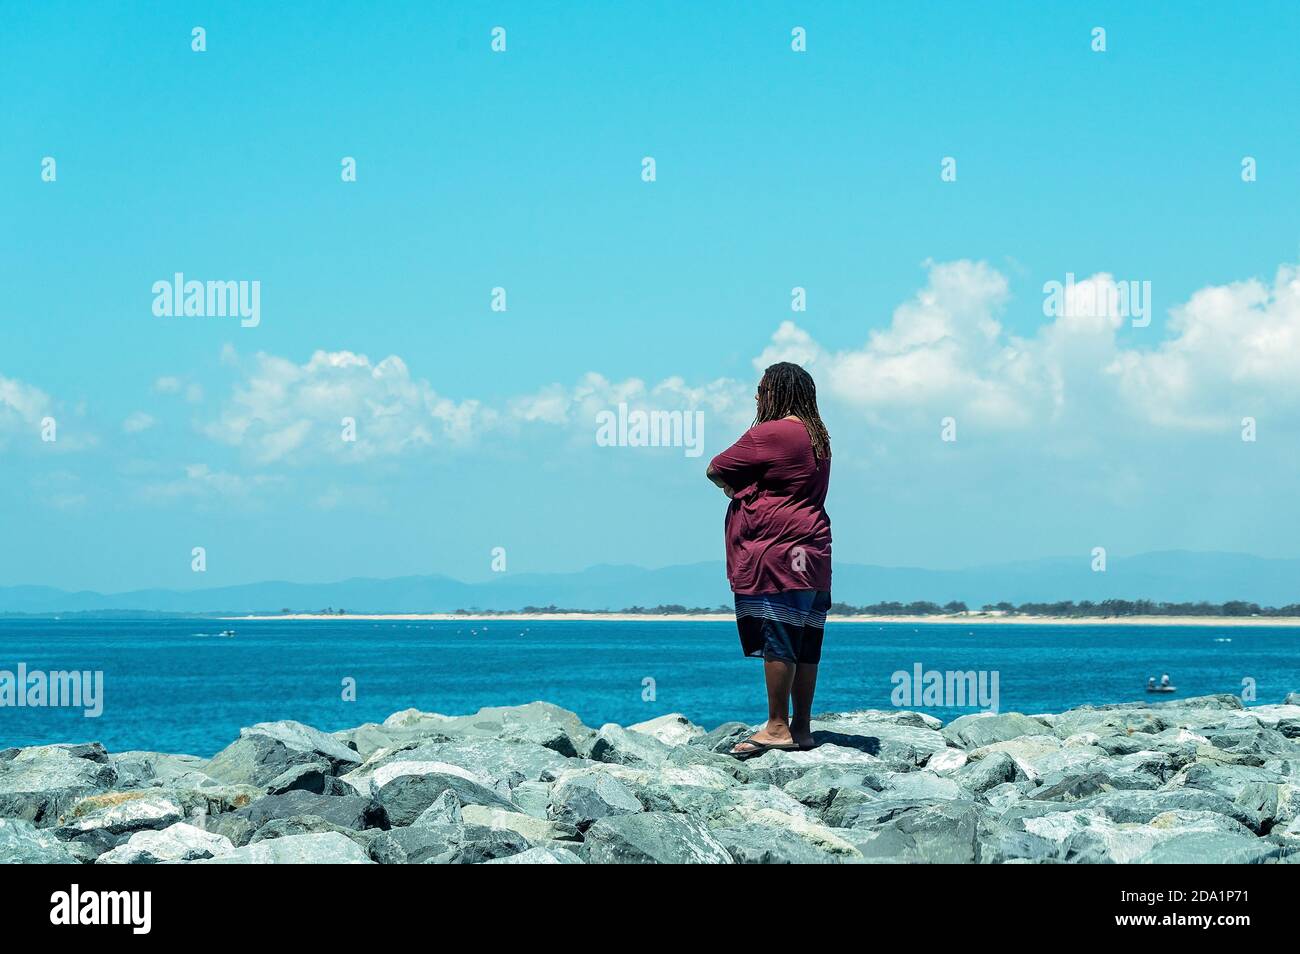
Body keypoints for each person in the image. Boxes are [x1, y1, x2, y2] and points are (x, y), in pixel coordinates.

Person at [706, 362, 832, 759]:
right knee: (804, 638)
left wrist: (736, 489)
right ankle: (802, 727)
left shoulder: (771, 432)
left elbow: (715, 468)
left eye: (762, 389)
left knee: (778, 638)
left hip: (776, 549)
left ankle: (777, 726)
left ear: (777, 391)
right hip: (812, 548)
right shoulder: (818, 435)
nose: (756, 396)